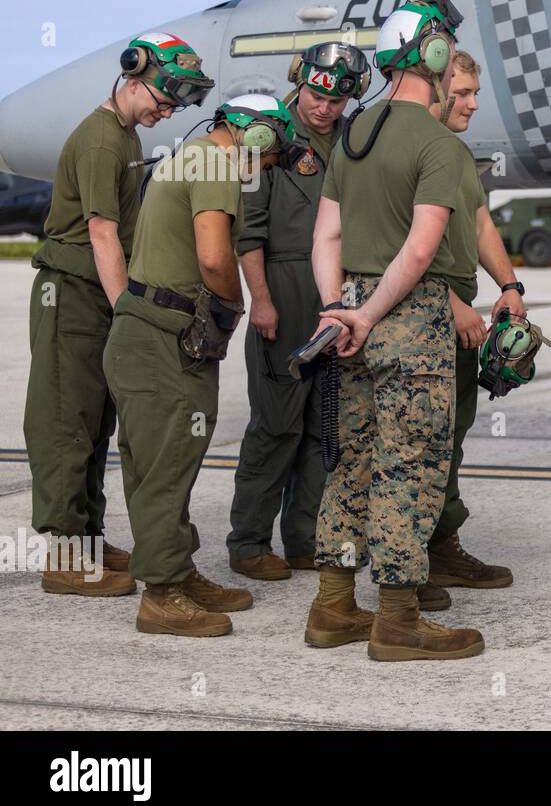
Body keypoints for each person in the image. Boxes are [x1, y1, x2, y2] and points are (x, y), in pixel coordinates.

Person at [304, 0, 484, 660]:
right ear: (433, 56)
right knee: (409, 464)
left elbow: (327, 231)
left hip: (348, 310)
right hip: (405, 316)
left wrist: (338, 309)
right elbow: (420, 247)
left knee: (352, 460)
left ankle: (332, 606)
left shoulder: (351, 134)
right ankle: (399, 619)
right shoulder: (436, 143)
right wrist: (373, 312)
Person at [104, 95, 298, 637]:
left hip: (145, 331)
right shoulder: (216, 165)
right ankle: (162, 595)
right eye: (266, 157)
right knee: (167, 464)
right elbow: (215, 257)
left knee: (162, 461)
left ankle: (177, 571)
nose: (262, 169)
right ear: (255, 137)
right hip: (163, 336)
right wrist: (232, 308)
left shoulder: (188, 155)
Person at [26, 33, 213, 597]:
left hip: (96, 294)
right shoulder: (102, 142)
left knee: (98, 421)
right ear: (134, 75)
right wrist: (128, 313)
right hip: (76, 295)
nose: (169, 109)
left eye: (178, 102)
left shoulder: (124, 134)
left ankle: (85, 535)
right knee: (67, 421)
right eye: (164, 95)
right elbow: (101, 233)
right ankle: (64, 552)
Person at [227, 42, 371, 581]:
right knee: (276, 424)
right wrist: (261, 300)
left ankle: (305, 537)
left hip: (336, 289)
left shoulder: (350, 140)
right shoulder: (263, 136)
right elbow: (247, 230)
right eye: (316, 95)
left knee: (321, 422)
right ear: (299, 81)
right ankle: (247, 542)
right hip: (285, 288)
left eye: (336, 101)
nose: (324, 109)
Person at [417, 49, 519, 609]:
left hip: (456, 316)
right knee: (416, 444)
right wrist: (451, 300)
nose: (474, 105)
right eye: (462, 94)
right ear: (433, 88)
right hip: (417, 312)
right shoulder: (407, 148)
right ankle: (403, 568)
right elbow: (393, 241)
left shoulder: (453, 153)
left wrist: (510, 286)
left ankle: (440, 545)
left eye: (475, 93)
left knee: (450, 438)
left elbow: (478, 220)